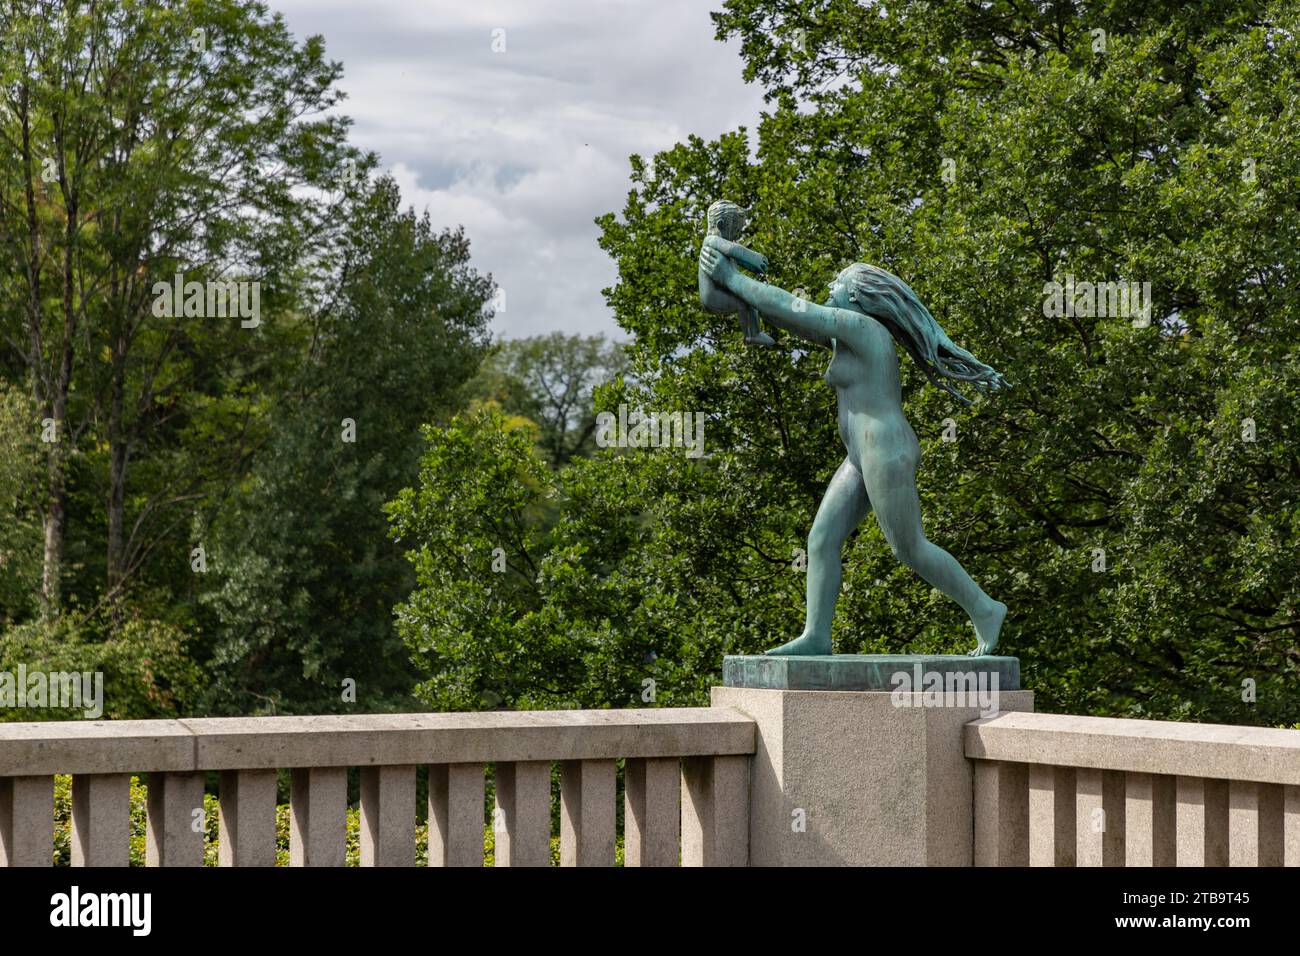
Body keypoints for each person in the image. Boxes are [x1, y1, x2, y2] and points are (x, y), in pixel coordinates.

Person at [698, 242, 1009, 656]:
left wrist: (733, 277)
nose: (830, 285)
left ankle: (985, 608)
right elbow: (787, 315)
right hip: (860, 455)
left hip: (885, 448)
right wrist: (732, 286)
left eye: (839, 282)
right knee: (822, 538)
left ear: (858, 297)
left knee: (908, 547)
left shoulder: (863, 329)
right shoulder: (844, 334)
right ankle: (816, 636)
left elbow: (793, 307)